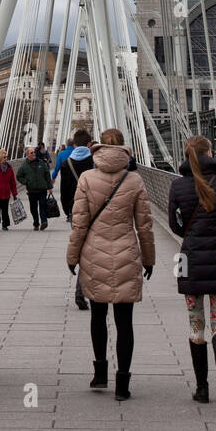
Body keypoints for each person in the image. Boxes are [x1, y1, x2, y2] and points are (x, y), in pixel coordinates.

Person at [66, 127, 155, 400]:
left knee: (97, 315)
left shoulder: (86, 178)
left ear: (99, 147)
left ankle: (100, 373)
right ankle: (123, 383)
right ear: (123, 148)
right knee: (124, 321)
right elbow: (145, 226)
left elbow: (79, 223)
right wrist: (149, 259)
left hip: (94, 254)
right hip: (127, 253)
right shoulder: (134, 181)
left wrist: (72, 257)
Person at [168, 134, 216, 407]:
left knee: (195, 324)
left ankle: (201, 388)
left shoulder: (178, 186)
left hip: (190, 261)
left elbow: (175, 226)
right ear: (209, 153)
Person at [51, 128, 95, 309]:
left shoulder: (66, 163)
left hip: (76, 212)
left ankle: (80, 289)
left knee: (83, 248)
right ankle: (85, 290)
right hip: (95, 212)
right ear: (89, 144)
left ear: (74, 144)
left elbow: (65, 192)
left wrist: (69, 211)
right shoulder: (95, 162)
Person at [15, 146, 52, 229]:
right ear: (28, 155)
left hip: (42, 189)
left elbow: (47, 174)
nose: (34, 154)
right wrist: (26, 182)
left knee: (43, 206)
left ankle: (44, 221)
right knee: (33, 208)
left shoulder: (41, 163)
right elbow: (18, 176)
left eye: (34, 152)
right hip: (32, 190)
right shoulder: (24, 166)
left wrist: (50, 187)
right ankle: (36, 223)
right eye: (32, 153)